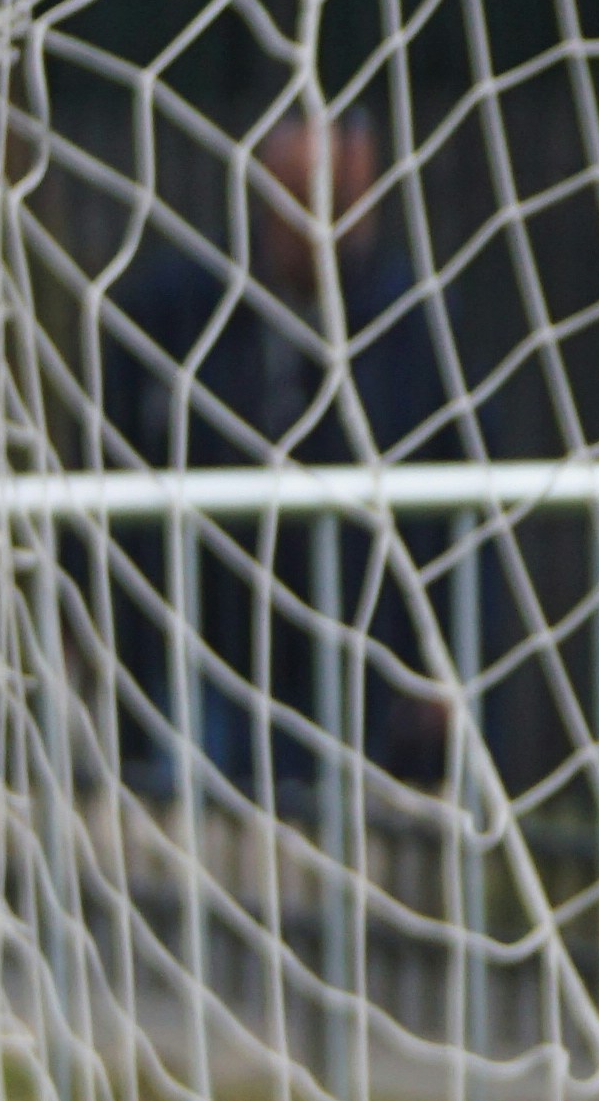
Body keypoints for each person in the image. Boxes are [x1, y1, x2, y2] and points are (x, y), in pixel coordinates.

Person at [105, 115, 462, 804]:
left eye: (348, 206)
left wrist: (438, 657)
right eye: (309, 200)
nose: (331, 227)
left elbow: (461, 496)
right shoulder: (178, 307)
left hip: (359, 657)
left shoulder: (409, 317)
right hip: (204, 646)